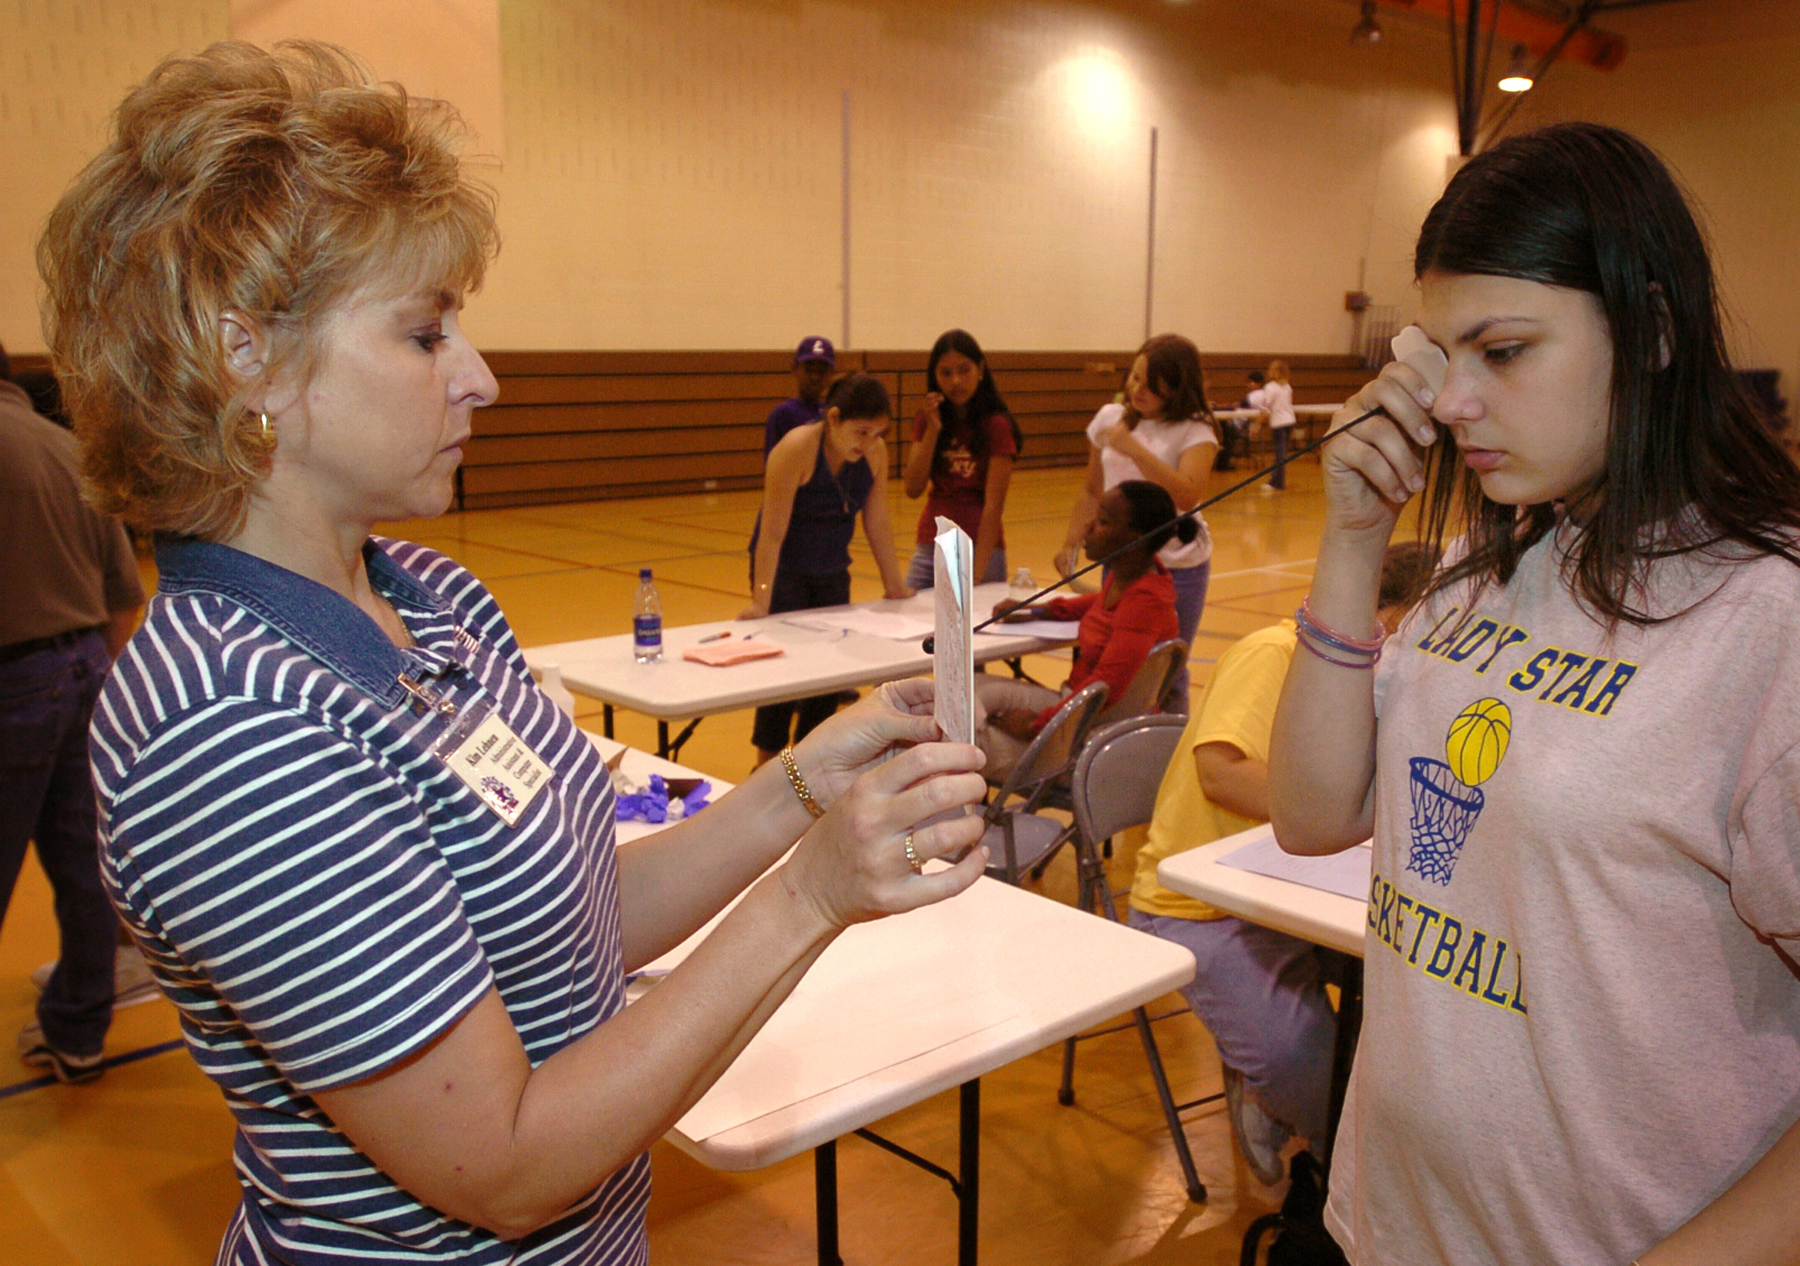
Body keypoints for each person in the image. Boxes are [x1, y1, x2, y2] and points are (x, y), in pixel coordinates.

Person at [42, 42, 989, 1265]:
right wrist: (814, 895)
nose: (480, 378)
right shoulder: (225, 724)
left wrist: (808, 789)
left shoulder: (431, 596)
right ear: (247, 358)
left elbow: (576, 912)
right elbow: (508, 1163)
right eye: (426, 335)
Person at [1269, 121, 1800, 1266]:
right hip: (1392, 1225)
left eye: (1501, 352)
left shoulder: (1771, 624)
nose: (1452, 401)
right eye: (1440, 354)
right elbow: (1312, 815)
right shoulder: (1487, 567)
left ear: (1652, 334)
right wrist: (1355, 537)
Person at [1128, 542, 1436, 1187]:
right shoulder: (1276, 651)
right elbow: (1220, 774)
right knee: (1321, 1078)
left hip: (1292, 892)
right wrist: (1349, 803)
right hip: (1198, 907)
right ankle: (1330, 1168)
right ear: (1391, 609)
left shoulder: (1391, 670)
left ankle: (1283, 1097)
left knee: (1402, 1030)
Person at [0, 341, 144, 1084]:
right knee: (87, 862)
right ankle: (80, 1027)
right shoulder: (67, 453)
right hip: (86, 664)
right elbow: (125, 591)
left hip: (14, 677)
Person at [743, 373, 913, 763]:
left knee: (828, 677)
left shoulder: (875, 453)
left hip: (832, 571)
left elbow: (877, 521)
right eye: (862, 431)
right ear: (833, 418)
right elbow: (771, 534)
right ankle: (765, 765)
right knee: (781, 679)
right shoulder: (795, 449)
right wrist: (761, 602)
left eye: (878, 433)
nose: (868, 443)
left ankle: (808, 763)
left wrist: (894, 584)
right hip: (785, 573)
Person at [976, 480, 1189, 782]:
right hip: (1073, 712)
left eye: (1103, 522)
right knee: (967, 692)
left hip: (1084, 741)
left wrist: (1035, 727)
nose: (1087, 527)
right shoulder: (1131, 577)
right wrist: (1036, 611)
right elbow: (1095, 604)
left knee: (961, 739)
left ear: (1136, 539)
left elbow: (1104, 689)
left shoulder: (1146, 603)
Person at [1058, 333, 1217, 704]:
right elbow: (1091, 490)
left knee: (1166, 669)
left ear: (1176, 386)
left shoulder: (1196, 430)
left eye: (1151, 383)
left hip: (1178, 565)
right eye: (1134, 377)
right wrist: (1069, 542)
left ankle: (1168, 750)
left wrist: (1133, 448)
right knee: (1106, 658)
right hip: (1122, 560)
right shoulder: (1109, 419)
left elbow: (1188, 492)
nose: (1138, 389)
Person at [902, 329, 1021, 588]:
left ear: (980, 369)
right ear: (934, 376)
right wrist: (933, 430)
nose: (955, 381)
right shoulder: (927, 419)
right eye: (945, 373)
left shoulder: (997, 425)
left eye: (964, 370)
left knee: (973, 627)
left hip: (980, 548)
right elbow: (912, 487)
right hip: (932, 544)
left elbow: (993, 507)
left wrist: (977, 573)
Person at [763, 335, 835, 456]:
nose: (815, 377)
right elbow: (772, 466)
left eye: (821, 371)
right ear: (794, 369)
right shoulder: (782, 414)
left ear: (831, 374)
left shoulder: (832, 414)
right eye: (808, 370)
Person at [1254, 359, 1296, 491]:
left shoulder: (1270, 387)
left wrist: (1256, 424)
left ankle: (1276, 482)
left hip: (1279, 423)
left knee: (1280, 454)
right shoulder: (1287, 387)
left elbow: (1266, 409)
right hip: (1289, 421)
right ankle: (1277, 478)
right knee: (1282, 453)